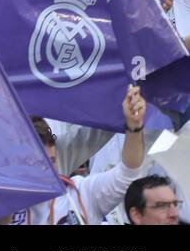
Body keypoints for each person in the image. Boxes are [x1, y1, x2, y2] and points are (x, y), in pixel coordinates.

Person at [17, 86, 148, 225]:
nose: (49, 171)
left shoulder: (80, 192)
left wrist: (134, 126)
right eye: (39, 163)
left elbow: (127, 174)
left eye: (53, 161)